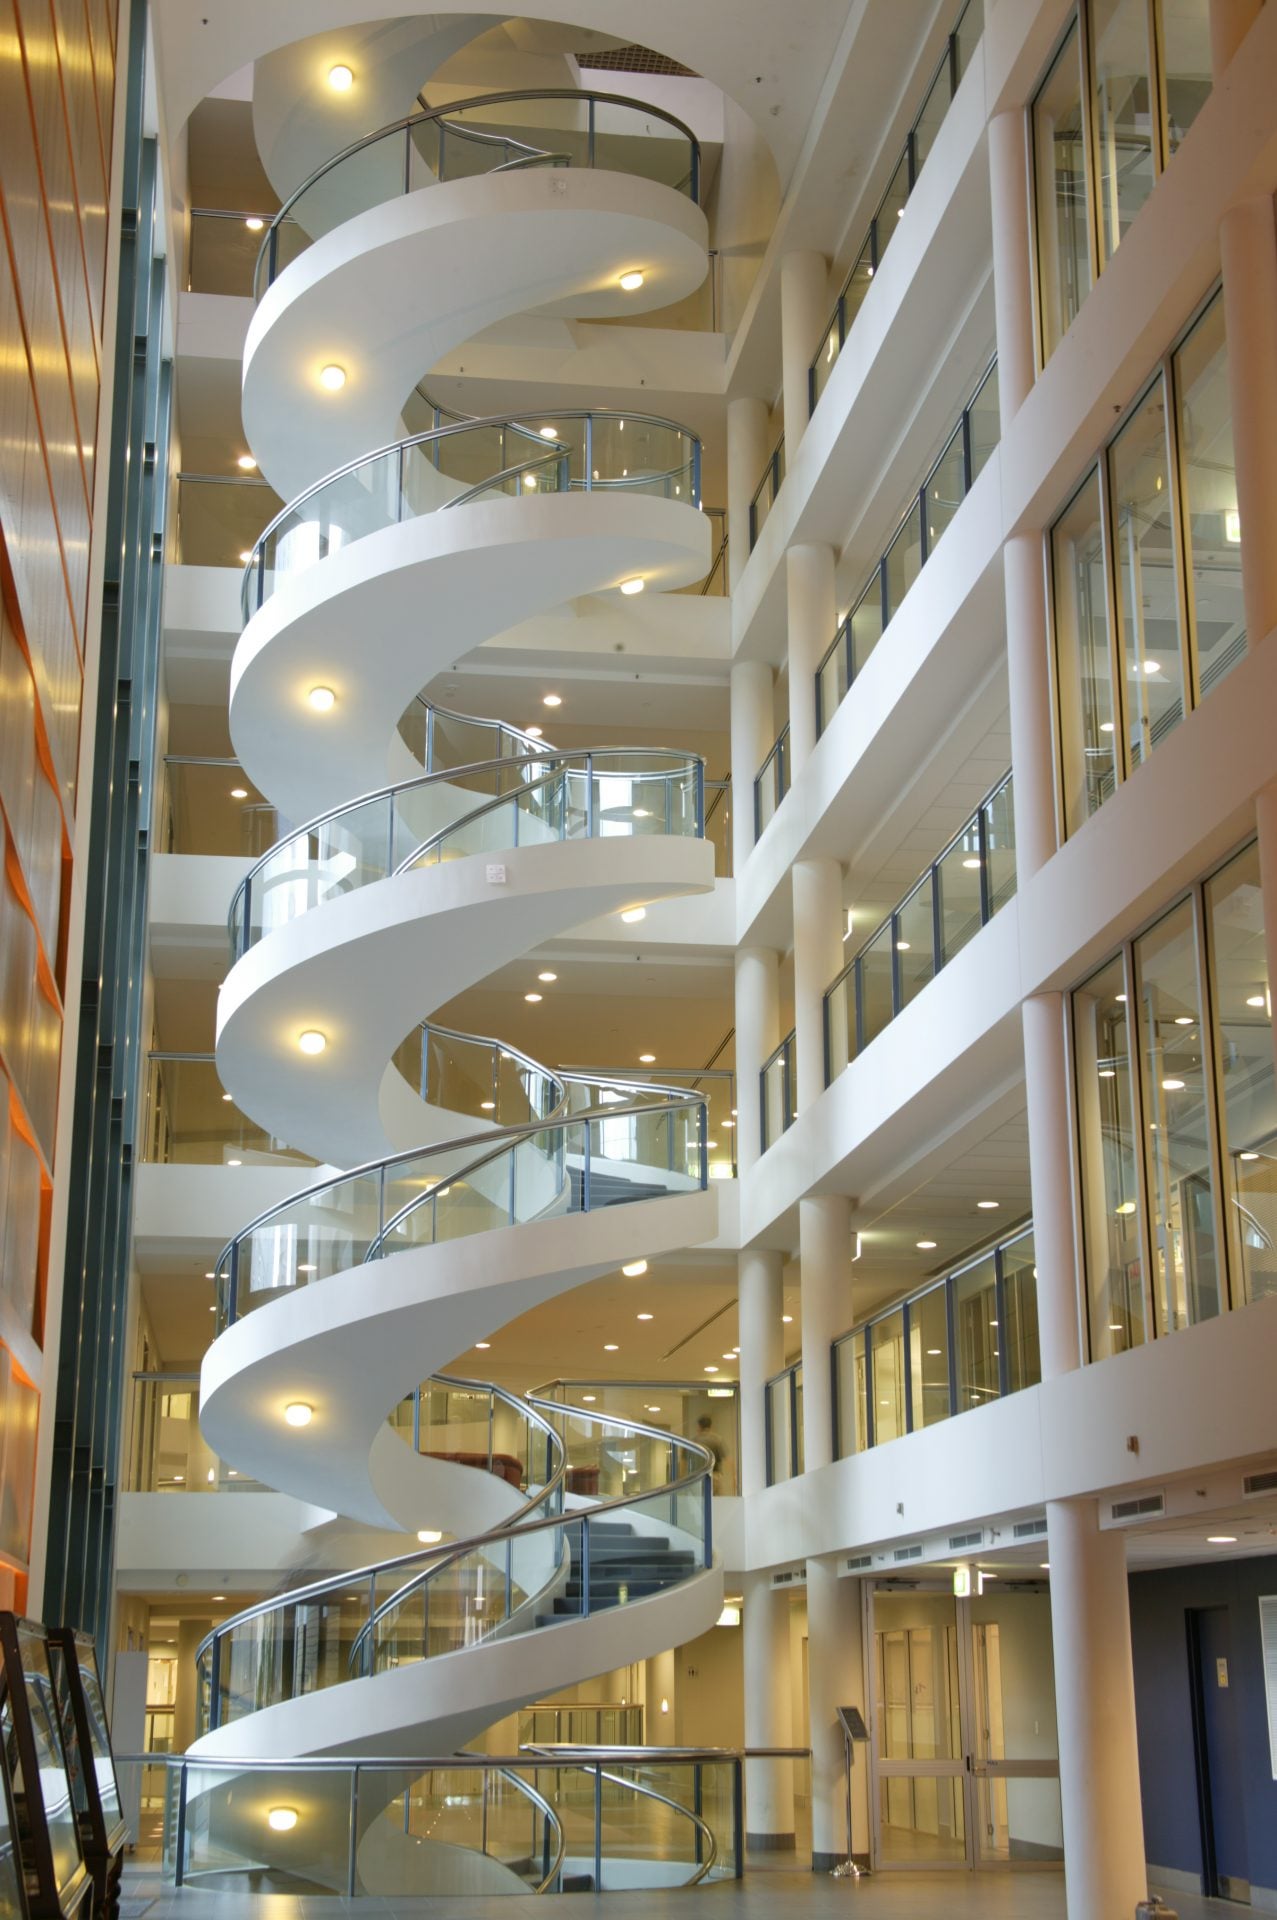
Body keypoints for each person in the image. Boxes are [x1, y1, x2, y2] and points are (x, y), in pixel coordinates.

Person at [695, 1413, 727, 1494]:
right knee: (716, 1502)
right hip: (715, 1476)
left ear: (699, 1426)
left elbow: (684, 1462)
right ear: (710, 1426)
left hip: (699, 1476)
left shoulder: (694, 1441)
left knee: (700, 1503)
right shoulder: (718, 1440)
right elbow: (726, 1459)